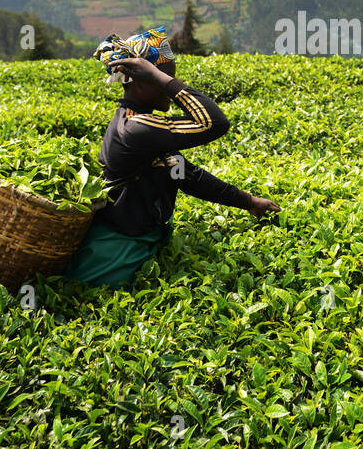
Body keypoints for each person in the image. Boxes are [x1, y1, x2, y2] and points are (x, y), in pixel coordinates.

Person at [64, 27, 280, 288]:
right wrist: (159, 77)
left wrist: (249, 201)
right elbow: (215, 123)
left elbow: (186, 175)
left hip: (142, 239)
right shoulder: (134, 129)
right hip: (116, 252)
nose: (170, 84)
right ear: (142, 83)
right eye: (166, 78)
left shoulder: (143, 123)